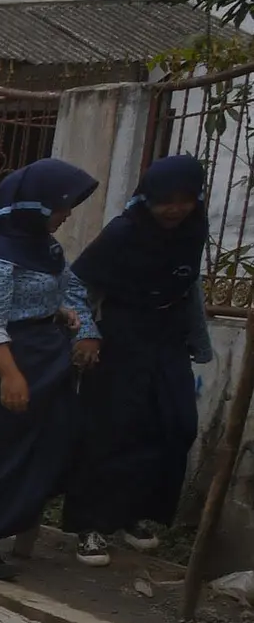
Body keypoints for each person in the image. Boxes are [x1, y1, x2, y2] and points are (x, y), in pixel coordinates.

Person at [0, 158, 102, 581]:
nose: (66, 216)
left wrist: (59, 311)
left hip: (46, 359)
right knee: (5, 455)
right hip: (7, 363)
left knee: (53, 444)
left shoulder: (45, 250)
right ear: (36, 207)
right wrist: (10, 375)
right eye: (60, 207)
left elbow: (52, 290)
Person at [62, 154, 217, 564]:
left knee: (175, 423)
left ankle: (133, 511)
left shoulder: (193, 230)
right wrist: (89, 334)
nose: (174, 208)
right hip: (121, 337)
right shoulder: (123, 234)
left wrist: (197, 340)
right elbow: (74, 283)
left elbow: (189, 286)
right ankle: (90, 525)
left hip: (167, 340)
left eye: (185, 199)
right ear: (147, 198)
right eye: (165, 199)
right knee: (111, 429)